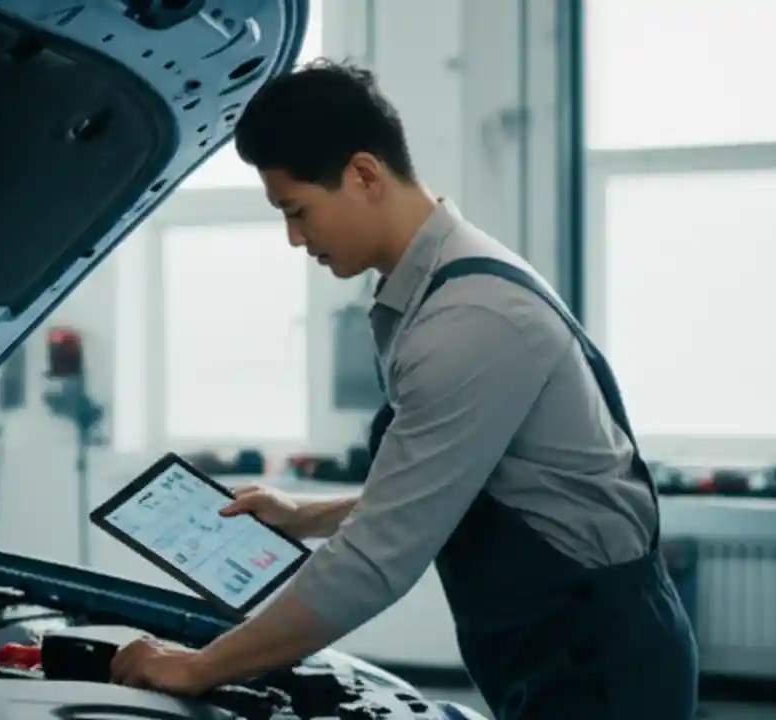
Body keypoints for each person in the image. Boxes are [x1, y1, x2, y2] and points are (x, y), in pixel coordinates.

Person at [109, 59, 699, 719]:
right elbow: (455, 479)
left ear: (364, 174)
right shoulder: (443, 289)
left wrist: (198, 666)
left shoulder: (469, 321)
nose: (294, 238)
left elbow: (377, 561)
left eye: (298, 210)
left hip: (601, 668)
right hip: (562, 647)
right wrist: (307, 516)